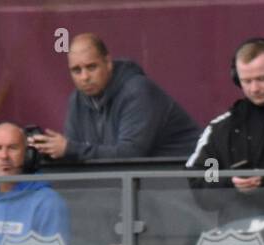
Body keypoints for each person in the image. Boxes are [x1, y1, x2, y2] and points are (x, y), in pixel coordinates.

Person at [185, 38, 264, 223]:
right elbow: (205, 180)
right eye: (246, 81)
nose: (254, 88)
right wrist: (230, 183)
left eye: (262, 78)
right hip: (237, 242)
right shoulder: (222, 130)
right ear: (236, 79)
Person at [30, 33, 200, 162]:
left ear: (108, 63)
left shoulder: (138, 91)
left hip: (185, 184)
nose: (84, 77)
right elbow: (78, 156)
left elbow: (129, 155)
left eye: (91, 67)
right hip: (139, 189)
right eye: (77, 70)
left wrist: (70, 149)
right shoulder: (76, 100)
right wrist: (48, 151)